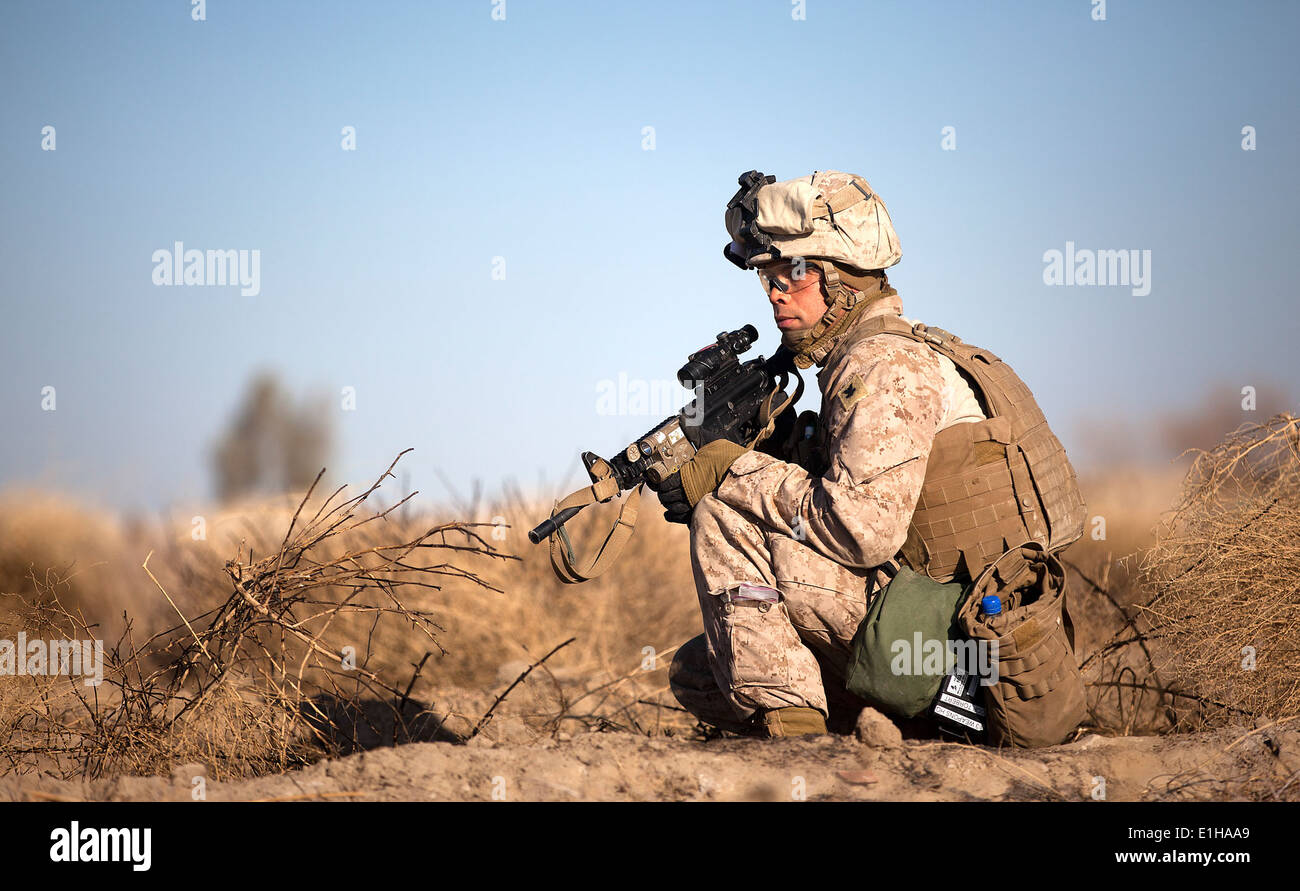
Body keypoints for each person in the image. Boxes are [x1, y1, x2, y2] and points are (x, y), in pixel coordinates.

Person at [654, 170, 1085, 738]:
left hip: (965, 663)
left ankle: (795, 739)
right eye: (768, 278)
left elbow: (864, 532)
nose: (776, 292)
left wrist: (731, 471)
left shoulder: (884, 366)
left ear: (843, 284)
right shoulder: (883, 354)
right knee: (701, 671)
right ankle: (861, 720)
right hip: (943, 629)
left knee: (723, 513)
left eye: (794, 274)